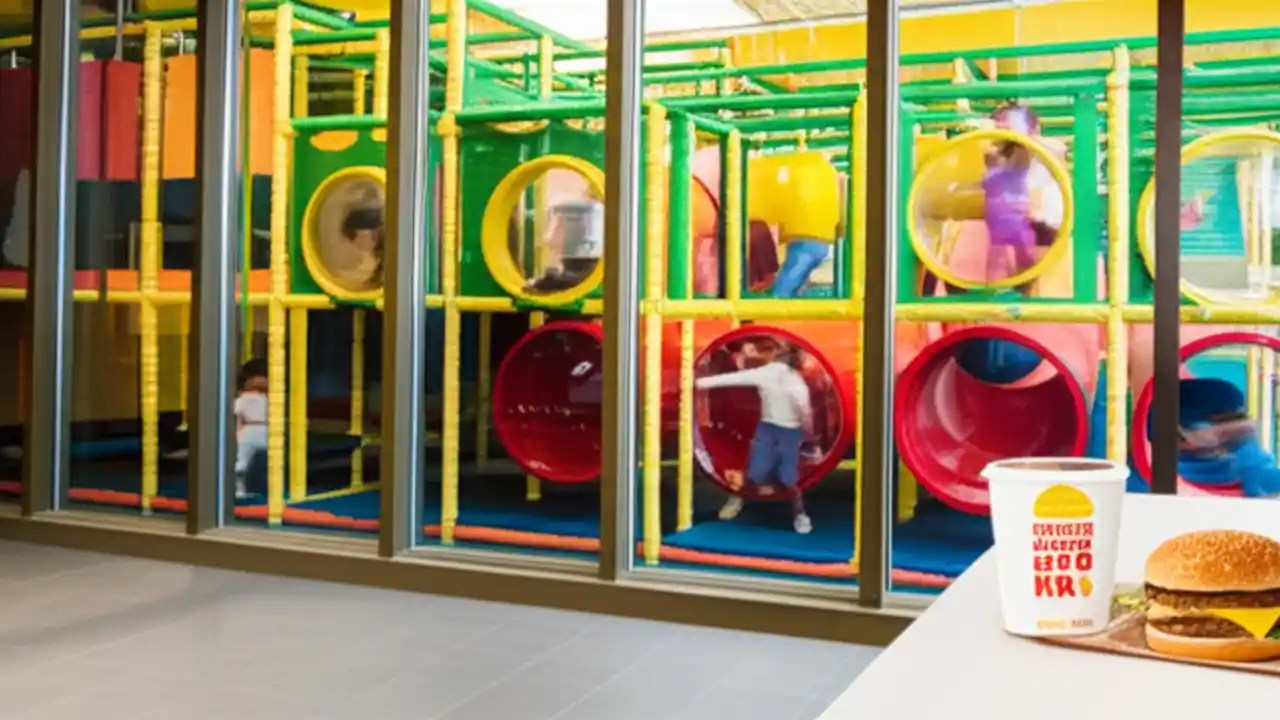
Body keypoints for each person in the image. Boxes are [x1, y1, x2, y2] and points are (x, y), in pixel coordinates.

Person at [695, 340, 815, 534]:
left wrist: (699, 383)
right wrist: (809, 436)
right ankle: (748, 497)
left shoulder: (787, 380)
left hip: (783, 430)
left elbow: (732, 378)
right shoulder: (788, 379)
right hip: (773, 429)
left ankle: (800, 514)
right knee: (769, 475)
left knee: (782, 476)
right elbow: (806, 413)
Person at [234, 358, 269, 499]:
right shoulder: (242, 399)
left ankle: (245, 487)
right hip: (250, 430)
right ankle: (239, 489)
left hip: (260, 429)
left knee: (243, 461)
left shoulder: (267, 398)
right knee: (241, 463)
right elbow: (238, 417)